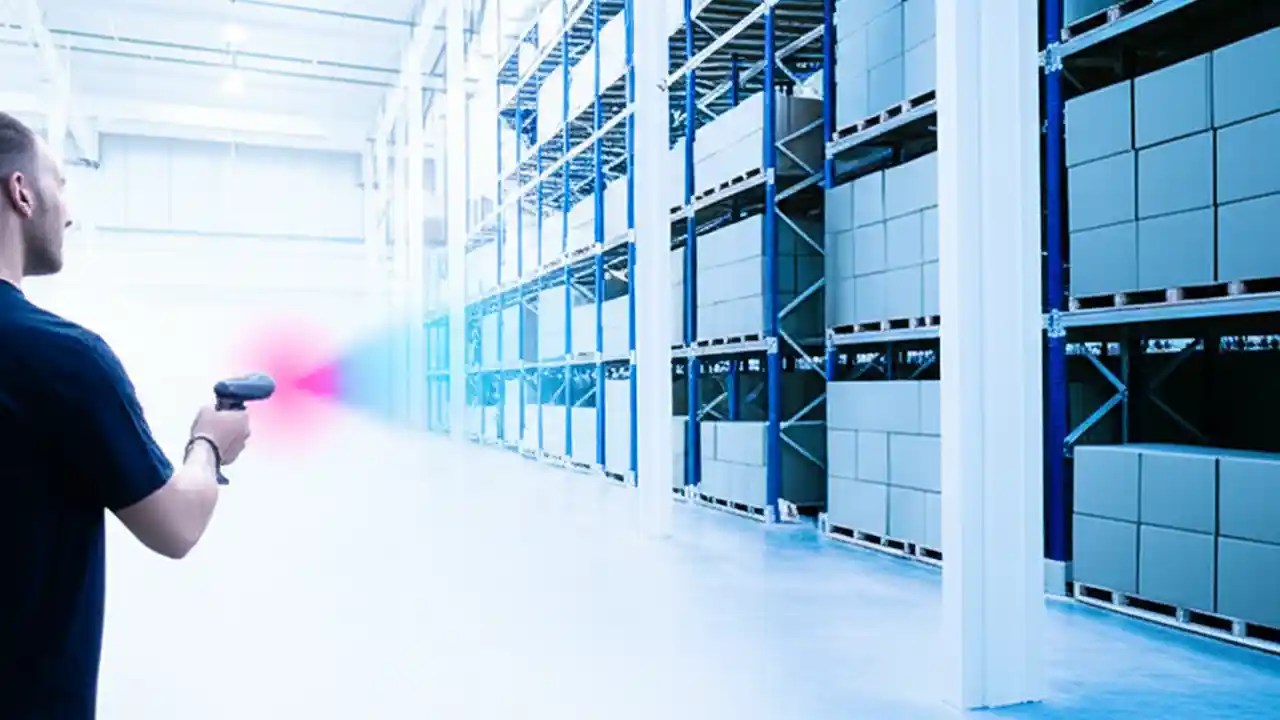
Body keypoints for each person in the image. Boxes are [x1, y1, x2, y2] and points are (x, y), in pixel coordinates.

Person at [0, 112, 254, 718]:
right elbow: (175, 524)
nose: (68, 211)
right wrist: (209, 443)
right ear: (21, 192)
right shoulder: (62, 360)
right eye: (60, 184)